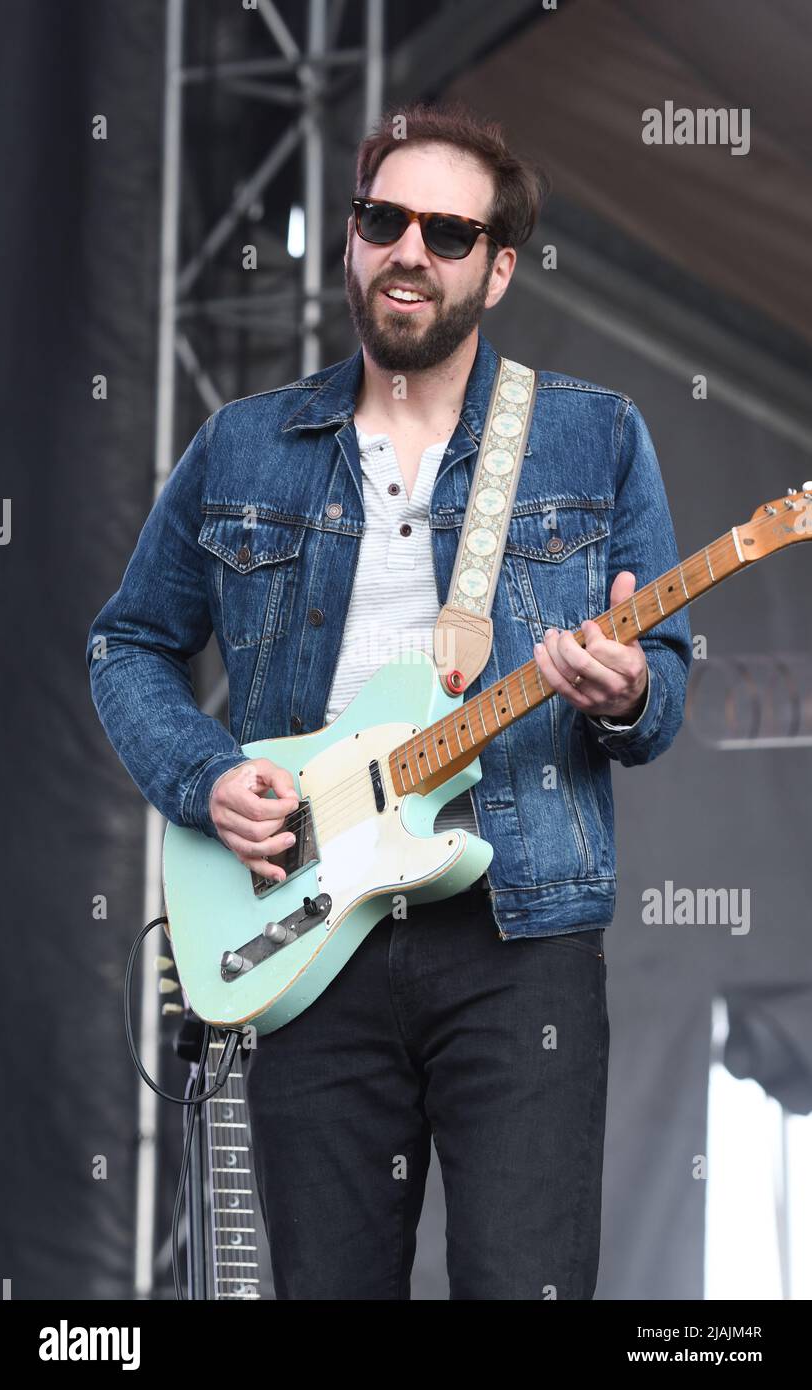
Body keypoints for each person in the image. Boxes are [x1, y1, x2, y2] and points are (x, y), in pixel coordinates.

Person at [87, 99, 692, 1300]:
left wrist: (625, 690)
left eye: (448, 234)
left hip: (520, 941)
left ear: (497, 266)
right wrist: (206, 778)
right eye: (383, 220)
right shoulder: (241, 446)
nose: (410, 250)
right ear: (353, 240)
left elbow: (660, 688)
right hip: (308, 934)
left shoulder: (593, 437)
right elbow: (128, 642)